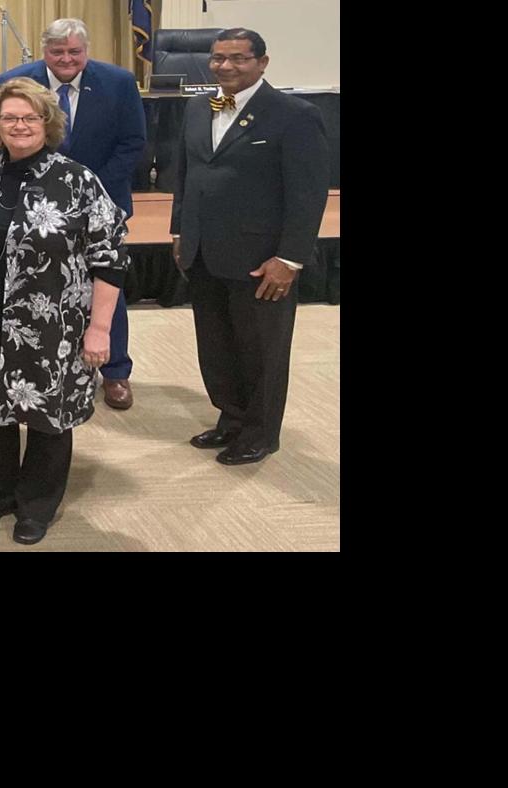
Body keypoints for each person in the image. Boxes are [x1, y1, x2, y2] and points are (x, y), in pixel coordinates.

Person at [0, 78, 128, 546]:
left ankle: (37, 504)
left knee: (48, 417)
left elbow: (110, 257)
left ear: (48, 123)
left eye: (30, 117)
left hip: (52, 328)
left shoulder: (76, 180)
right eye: (9, 117)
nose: (19, 125)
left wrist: (99, 328)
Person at [170, 28, 329, 466]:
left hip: (262, 260)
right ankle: (232, 418)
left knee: (261, 350)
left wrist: (290, 258)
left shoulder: (293, 114)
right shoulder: (199, 108)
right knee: (217, 345)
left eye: (239, 58)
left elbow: (307, 194)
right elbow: (186, 176)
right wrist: (180, 232)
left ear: (262, 62)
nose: (226, 66)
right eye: (219, 58)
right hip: (203, 252)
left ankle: (260, 432)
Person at [0, 18, 144, 410]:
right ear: (44, 51)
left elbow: (133, 143)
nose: (66, 59)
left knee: (107, 286)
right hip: (32, 209)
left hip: (101, 201)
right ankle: (41, 366)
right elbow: (2, 139)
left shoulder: (119, 82)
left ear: (86, 50)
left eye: (74, 52)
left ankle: (116, 371)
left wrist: (89, 192)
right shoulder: (12, 81)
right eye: (57, 52)